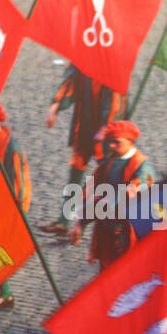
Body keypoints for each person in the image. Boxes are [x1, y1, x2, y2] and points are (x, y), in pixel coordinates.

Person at [43, 65, 125, 234]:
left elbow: (115, 103)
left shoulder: (112, 67)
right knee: (76, 171)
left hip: (108, 135)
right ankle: (64, 221)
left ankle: (117, 224)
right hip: (84, 128)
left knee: (111, 178)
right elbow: (69, 84)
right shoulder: (83, 62)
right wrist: (54, 109)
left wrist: (106, 129)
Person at [68, 120, 157, 268]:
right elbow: (93, 192)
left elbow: (130, 194)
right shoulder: (108, 163)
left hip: (129, 236)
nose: (111, 146)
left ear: (130, 141)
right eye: (110, 142)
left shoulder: (142, 168)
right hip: (107, 233)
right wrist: (81, 223)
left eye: (117, 142)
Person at [0, 103, 31, 312]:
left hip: (5, 208)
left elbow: (18, 184)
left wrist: (13, 213)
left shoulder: (11, 146)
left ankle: (6, 293)